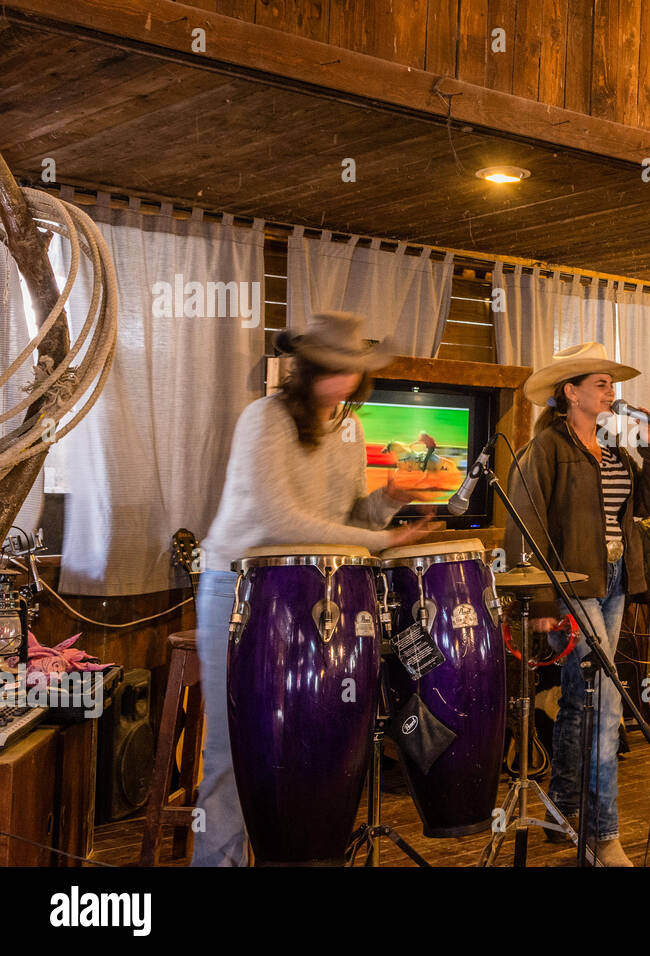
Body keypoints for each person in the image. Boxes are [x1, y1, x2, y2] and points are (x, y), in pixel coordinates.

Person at [194, 312, 435, 866]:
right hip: (239, 590)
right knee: (234, 750)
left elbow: (350, 516)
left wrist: (390, 499)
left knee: (314, 740)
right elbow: (278, 518)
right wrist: (376, 542)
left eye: (353, 373)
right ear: (304, 370)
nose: (344, 383)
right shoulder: (264, 418)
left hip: (311, 592)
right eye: (332, 371)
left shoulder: (349, 429)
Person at [505, 341, 650, 867]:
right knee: (605, 704)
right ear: (570, 392)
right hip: (569, 587)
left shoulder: (612, 449)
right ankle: (602, 836)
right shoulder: (548, 449)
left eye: (610, 383)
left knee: (583, 700)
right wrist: (541, 601)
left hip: (615, 578)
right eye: (600, 383)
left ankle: (563, 806)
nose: (612, 391)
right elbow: (525, 524)